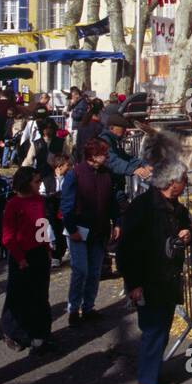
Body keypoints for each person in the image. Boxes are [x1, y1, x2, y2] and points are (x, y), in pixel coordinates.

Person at [119, 160, 192, 384]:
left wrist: (189, 234)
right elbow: (126, 248)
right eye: (184, 180)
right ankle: (147, 381)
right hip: (148, 279)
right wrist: (134, 283)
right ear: (172, 182)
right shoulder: (142, 208)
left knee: (161, 329)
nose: (186, 184)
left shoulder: (176, 208)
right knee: (153, 330)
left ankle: (152, 373)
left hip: (168, 278)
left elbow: (189, 228)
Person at [59, 137, 120, 326]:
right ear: (93, 156)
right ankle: (73, 309)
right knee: (80, 271)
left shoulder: (106, 174)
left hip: (99, 230)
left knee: (94, 271)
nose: (107, 157)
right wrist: (71, 229)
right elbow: (66, 205)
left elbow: (112, 202)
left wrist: (116, 223)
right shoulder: (75, 174)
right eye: (104, 154)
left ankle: (88, 307)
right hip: (79, 230)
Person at [1, 165, 55, 353]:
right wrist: (20, 258)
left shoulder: (40, 201)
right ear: (26, 183)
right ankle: (13, 332)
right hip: (21, 255)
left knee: (40, 296)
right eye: (36, 181)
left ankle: (40, 335)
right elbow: (8, 236)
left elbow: (42, 227)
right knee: (19, 296)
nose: (39, 185)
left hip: (39, 253)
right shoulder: (13, 205)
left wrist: (47, 248)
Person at [41, 148, 71, 267]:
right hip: (51, 210)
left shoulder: (69, 178)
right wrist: (51, 195)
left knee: (65, 230)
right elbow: (42, 193)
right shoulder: (47, 180)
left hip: (64, 208)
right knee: (53, 231)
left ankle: (67, 250)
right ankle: (55, 255)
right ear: (59, 167)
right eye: (66, 166)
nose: (68, 168)